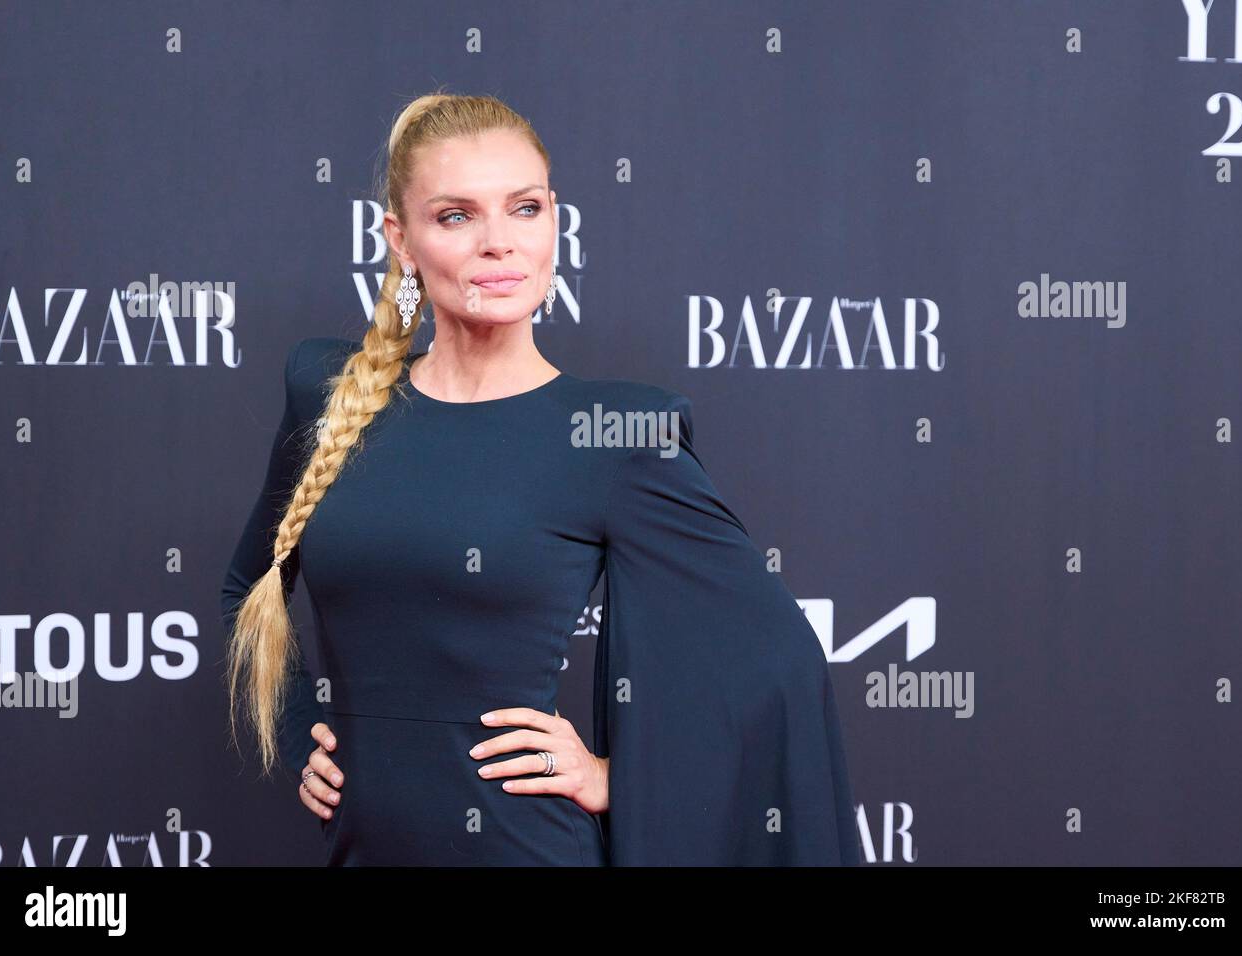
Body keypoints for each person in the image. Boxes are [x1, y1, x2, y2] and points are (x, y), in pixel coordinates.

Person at [222, 91, 861, 866]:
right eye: (456, 216)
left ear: (555, 220)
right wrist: (299, 740)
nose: (499, 244)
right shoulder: (326, 388)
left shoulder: (617, 436)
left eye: (524, 208)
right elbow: (247, 587)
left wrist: (616, 777)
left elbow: (776, 662)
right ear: (400, 238)